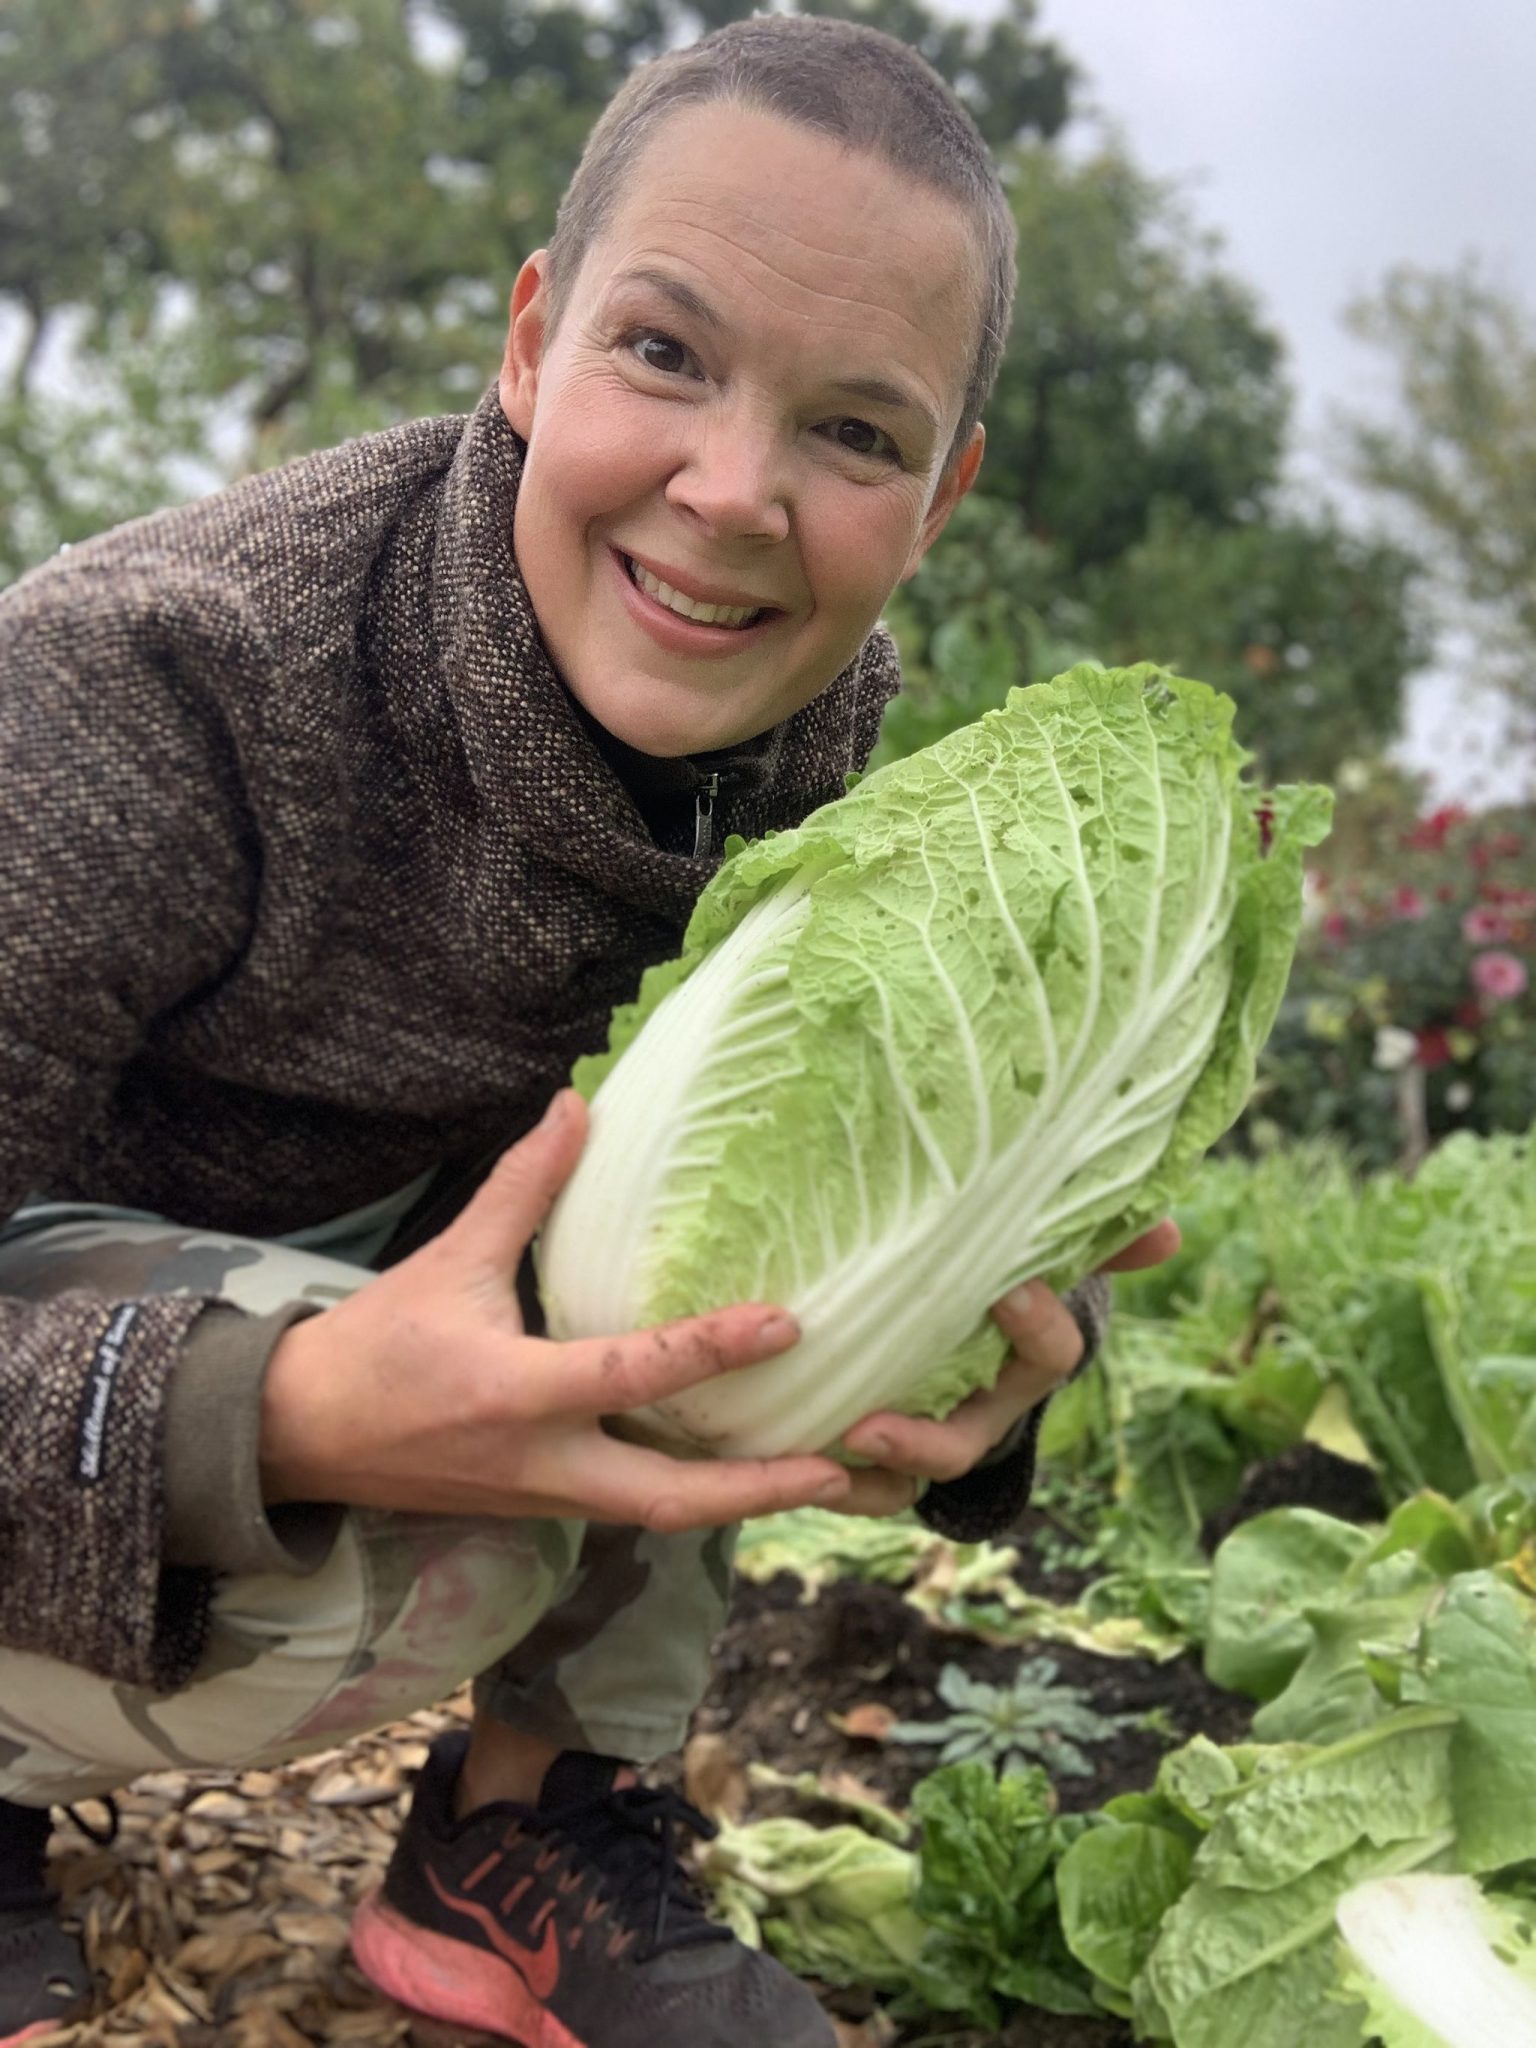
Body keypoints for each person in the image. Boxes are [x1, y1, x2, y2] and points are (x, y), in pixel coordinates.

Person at [0, 16, 1176, 2046]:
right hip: (72, 1290)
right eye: (665, 353)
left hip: (347, 1266)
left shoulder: (841, 764)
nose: (732, 495)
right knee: (440, 1539)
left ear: (943, 495)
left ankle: (531, 1817)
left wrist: (994, 1346)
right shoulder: (144, 694)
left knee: (746, 1276)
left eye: (855, 434)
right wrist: (273, 1420)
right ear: (532, 340)